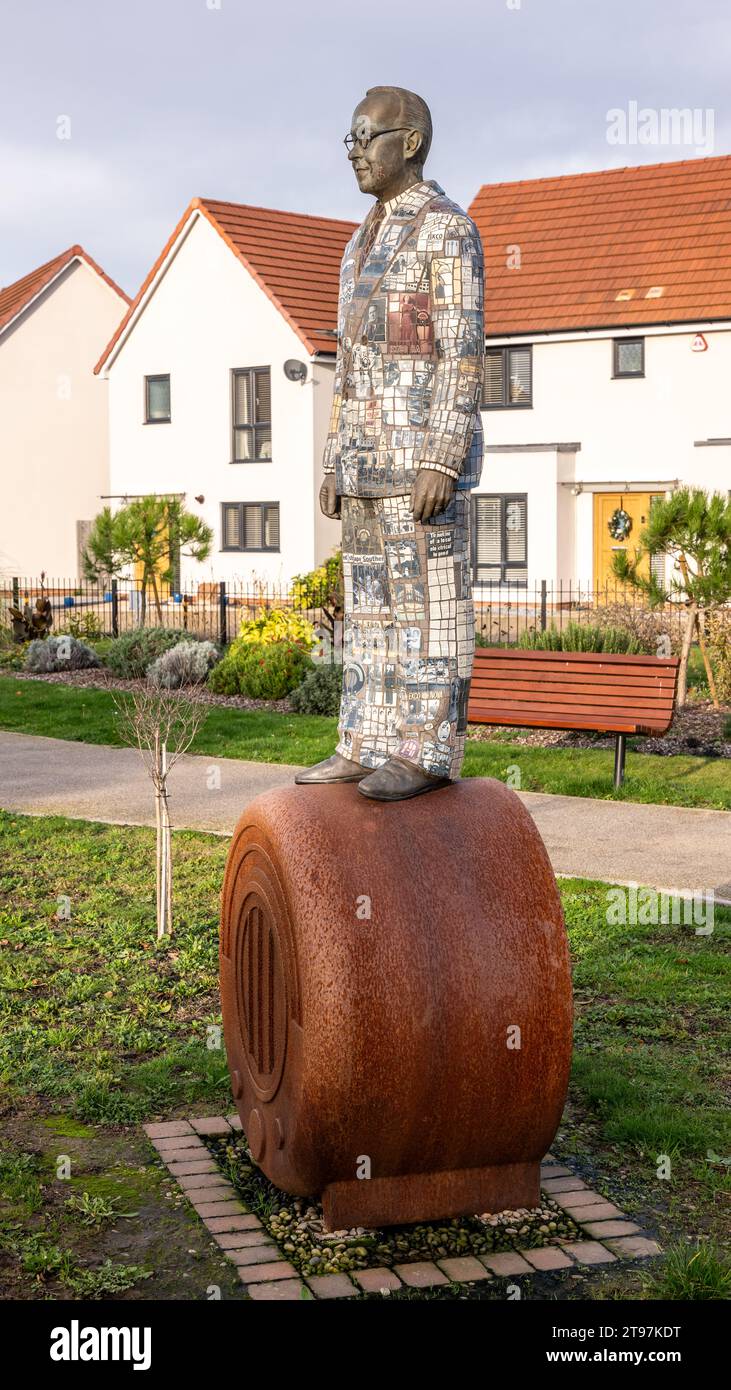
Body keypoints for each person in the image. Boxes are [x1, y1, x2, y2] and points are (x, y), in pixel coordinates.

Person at [295, 84, 484, 801]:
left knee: (429, 614)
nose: (352, 151)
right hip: (365, 465)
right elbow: (348, 366)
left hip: (419, 470)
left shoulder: (446, 229)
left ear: (408, 142)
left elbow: (463, 354)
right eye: (347, 138)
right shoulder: (357, 240)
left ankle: (425, 749)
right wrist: (333, 459)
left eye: (365, 136)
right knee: (368, 614)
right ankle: (363, 739)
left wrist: (442, 455)